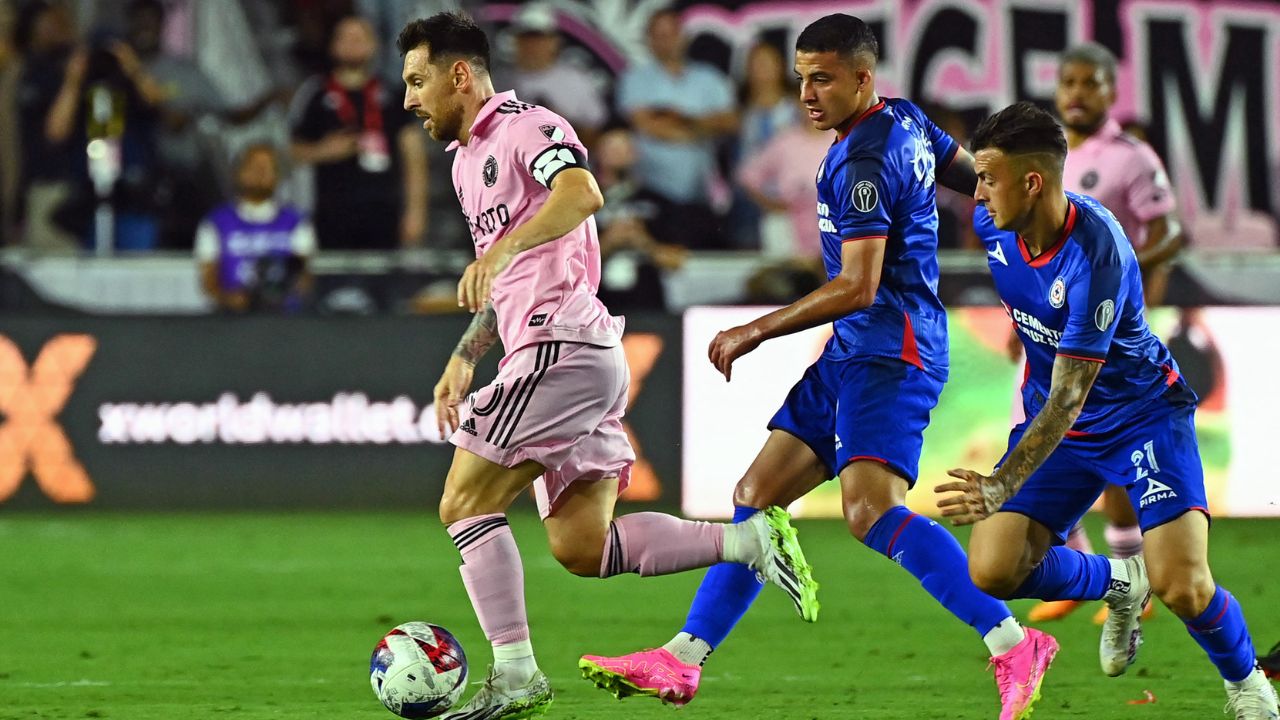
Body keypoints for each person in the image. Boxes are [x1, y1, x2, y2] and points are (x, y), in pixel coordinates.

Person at [580, 15, 1057, 720]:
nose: (807, 91)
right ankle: (682, 661)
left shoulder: (863, 161)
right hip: (856, 348)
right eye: (802, 75)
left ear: (863, 78)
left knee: (870, 513)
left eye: (823, 77)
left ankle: (1014, 641)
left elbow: (859, 284)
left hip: (890, 349)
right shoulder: (906, 120)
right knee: (757, 495)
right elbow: (977, 181)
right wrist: (1018, 236)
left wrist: (757, 327)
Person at [396, 13, 818, 719]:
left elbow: (582, 193)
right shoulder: (466, 160)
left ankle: (516, 674)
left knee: (465, 504)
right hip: (574, 351)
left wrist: (499, 252)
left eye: (417, 80)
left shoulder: (526, 126)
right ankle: (749, 537)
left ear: (459, 74)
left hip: (560, 347)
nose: (409, 98)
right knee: (582, 546)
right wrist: (465, 355)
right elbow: (504, 283)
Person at [936, 101, 1279, 720]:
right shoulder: (999, 215)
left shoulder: (1097, 251)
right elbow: (935, 154)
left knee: (1184, 585)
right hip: (1060, 428)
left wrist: (1002, 483)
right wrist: (876, 111)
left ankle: (1247, 685)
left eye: (987, 179)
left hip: (1139, 416)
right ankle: (1121, 580)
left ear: (1031, 181)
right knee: (992, 568)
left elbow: (1073, 395)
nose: (976, 194)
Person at [1025, 43, 1185, 624]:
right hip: (1048, 324)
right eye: (1068, 81)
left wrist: (1118, 271)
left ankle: (1128, 569)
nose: (1076, 93)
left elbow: (1170, 232)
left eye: (1090, 83)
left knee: (1104, 444)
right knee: (1050, 438)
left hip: (1114, 334)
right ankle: (1083, 568)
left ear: (1111, 92)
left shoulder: (1132, 157)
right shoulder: (1044, 154)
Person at [291, 15, 427, 250]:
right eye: (345, 37)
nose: (353, 43)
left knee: (383, 283)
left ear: (374, 45)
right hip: (329, 216)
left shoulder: (394, 95)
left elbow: (414, 156)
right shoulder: (314, 94)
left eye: (360, 37)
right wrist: (323, 151)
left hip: (384, 215)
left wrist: (416, 213)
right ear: (333, 45)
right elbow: (290, 152)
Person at [615, 8, 736, 249]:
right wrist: (701, 128)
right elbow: (647, 126)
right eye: (658, 34)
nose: (665, 40)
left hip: (701, 193)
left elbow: (730, 122)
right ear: (648, 40)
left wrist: (677, 118)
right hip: (651, 190)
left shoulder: (709, 78)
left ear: (683, 36)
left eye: (671, 33)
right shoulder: (635, 79)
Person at [194, 143, 314, 314]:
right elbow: (208, 280)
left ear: (277, 175)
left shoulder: (296, 222)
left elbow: (304, 278)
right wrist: (228, 298)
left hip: (284, 319)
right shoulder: (215, 222)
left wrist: (279, 297)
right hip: (230, 319)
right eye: (254, 166)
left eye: (267, 167)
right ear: (237, 172)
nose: (261, 172)